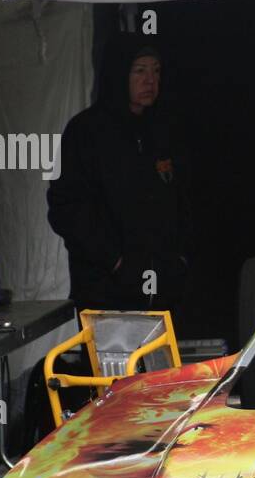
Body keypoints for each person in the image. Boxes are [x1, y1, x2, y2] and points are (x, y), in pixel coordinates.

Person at [48, 38, 191, 322]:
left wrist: (178, 259)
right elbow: (65, 207)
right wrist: (114, 260)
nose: (150, 80)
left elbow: (184, 197)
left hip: (163, 287)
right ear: (119, 74)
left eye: (156, 71)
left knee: (159, 366)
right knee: (110, 365)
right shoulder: (86, 132)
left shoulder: (164, 128)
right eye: (139, 71)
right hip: (104, 289)